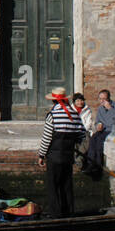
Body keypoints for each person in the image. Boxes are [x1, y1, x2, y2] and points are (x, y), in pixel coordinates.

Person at [37, 87, 85, 217]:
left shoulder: (52, 115)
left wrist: (41, 155)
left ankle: (55, 213)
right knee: (66, 184)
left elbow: (47, 138)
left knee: (53, 185)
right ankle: (68, 211)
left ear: (54, 102)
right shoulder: (75, 115)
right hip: (68, 156)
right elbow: (81, 135)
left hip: (54, 156)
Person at [83, 89, 115, 177]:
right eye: (100, 99)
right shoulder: (100, 109)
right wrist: (98, 125)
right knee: (93, 139)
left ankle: (98, 166)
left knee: (100, 142)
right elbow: (98, 121)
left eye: (104, 99)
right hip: (103, 129)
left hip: (114, 130)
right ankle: (90, 163)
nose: (102, 101)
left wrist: (110, 108)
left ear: (109, 99)